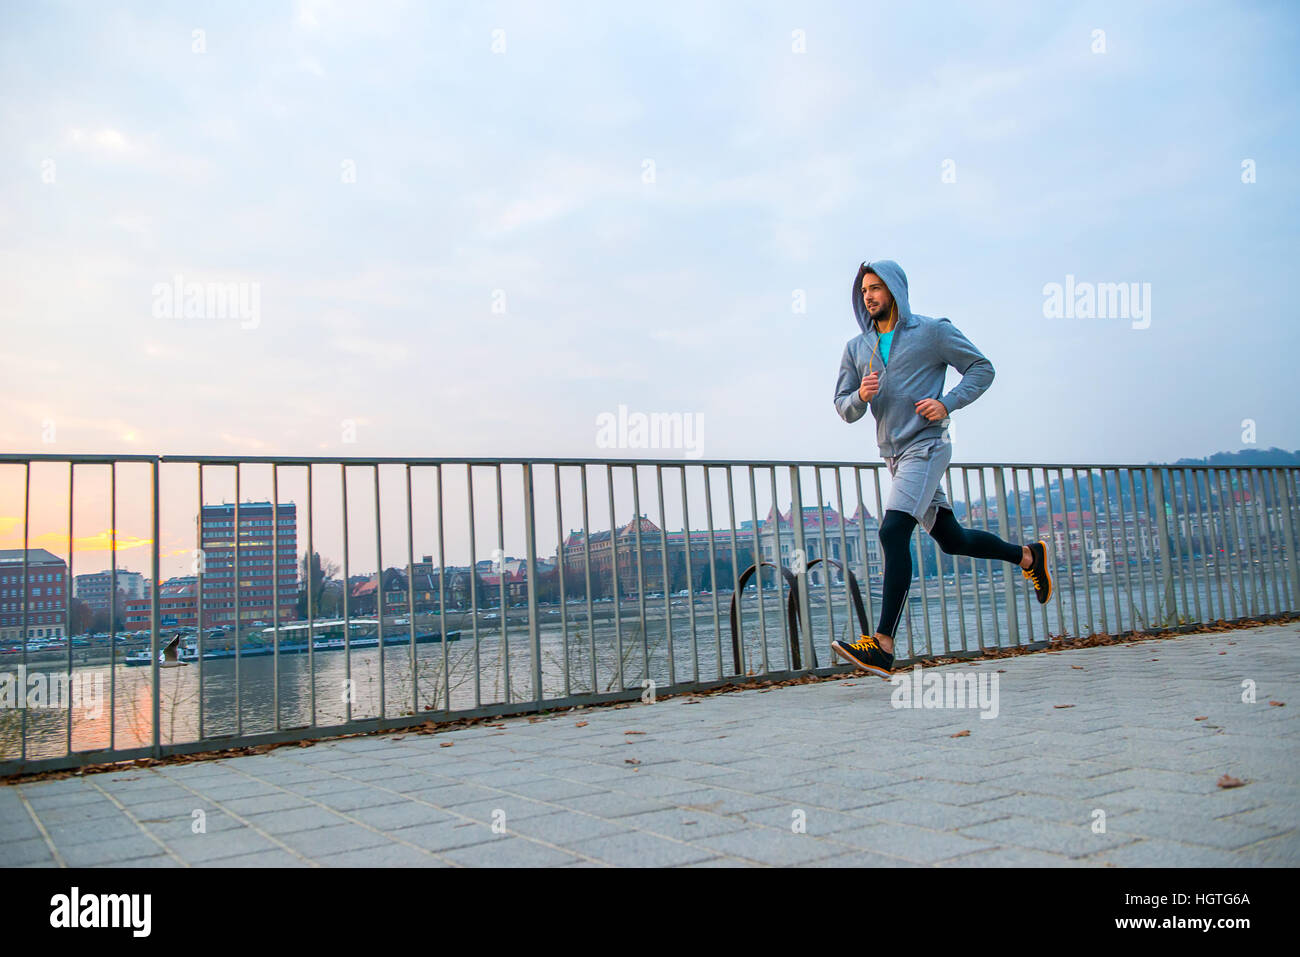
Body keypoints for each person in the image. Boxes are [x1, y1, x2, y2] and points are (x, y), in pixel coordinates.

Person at [832, 260, 1051, 677]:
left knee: (893, 531)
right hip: (893, 457)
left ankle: (882, 645)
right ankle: (1028, 556)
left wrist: (946, 403)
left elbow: (981, 368)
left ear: (895, 289)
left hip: (927, 447)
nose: (869, 296)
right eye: (864, 291)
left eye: (876, 288)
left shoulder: (932, 332)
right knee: (951, 539)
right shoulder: (856, 348)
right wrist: (860, 395)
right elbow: (843, 407)